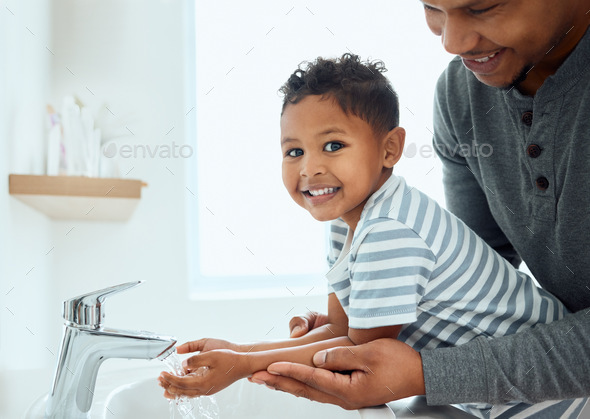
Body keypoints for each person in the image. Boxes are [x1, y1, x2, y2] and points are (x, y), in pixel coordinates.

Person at [158, 53, 586, 418]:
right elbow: (341, 331)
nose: (309, 168)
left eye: (332, 146)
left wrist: (242, 363)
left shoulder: (390, 231)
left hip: (555, 399)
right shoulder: (345, 224)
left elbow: (359, 356)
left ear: (390, 150)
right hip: (499, 395)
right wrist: (239, 351)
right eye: (294, 151)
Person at [250, 0, 590, 413]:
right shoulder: (463, 92)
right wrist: (374, 313)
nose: (452, 42)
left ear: (391, 148)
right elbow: (475, 269)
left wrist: (426, 372)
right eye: (432, 7)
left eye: (482, 7)